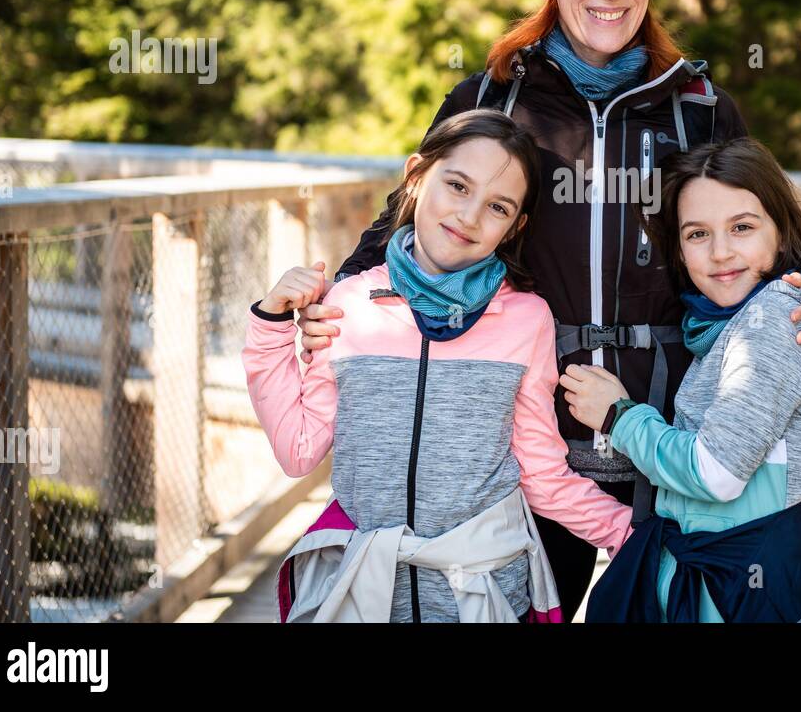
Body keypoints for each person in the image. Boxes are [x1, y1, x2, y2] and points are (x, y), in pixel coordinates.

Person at [294, 0, 801, 618]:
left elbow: (766, 239)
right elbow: (410, 220)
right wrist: (321, 302)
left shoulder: (695, 109)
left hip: (668, 434)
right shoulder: (494, 97)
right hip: (521, 445)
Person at [241, 109, 634, 622]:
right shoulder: (349, 304)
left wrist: (636, 535)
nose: (469, 217)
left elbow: (541, 475)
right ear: (416, 177)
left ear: (516, 226)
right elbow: (297, 451)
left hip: (483, 598)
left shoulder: (526, 319)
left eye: (497, 207)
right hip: (363, 595)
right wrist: (269, 327)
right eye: (456, 185)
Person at [564, 137, 801, 622]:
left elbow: (717, 472)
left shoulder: (772, 320)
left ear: (781, 231)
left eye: (742, 227)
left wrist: (619, 416)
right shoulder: (727, 320)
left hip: (749, 596)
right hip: (735, 586)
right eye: (697, 234)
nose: (720, 253)